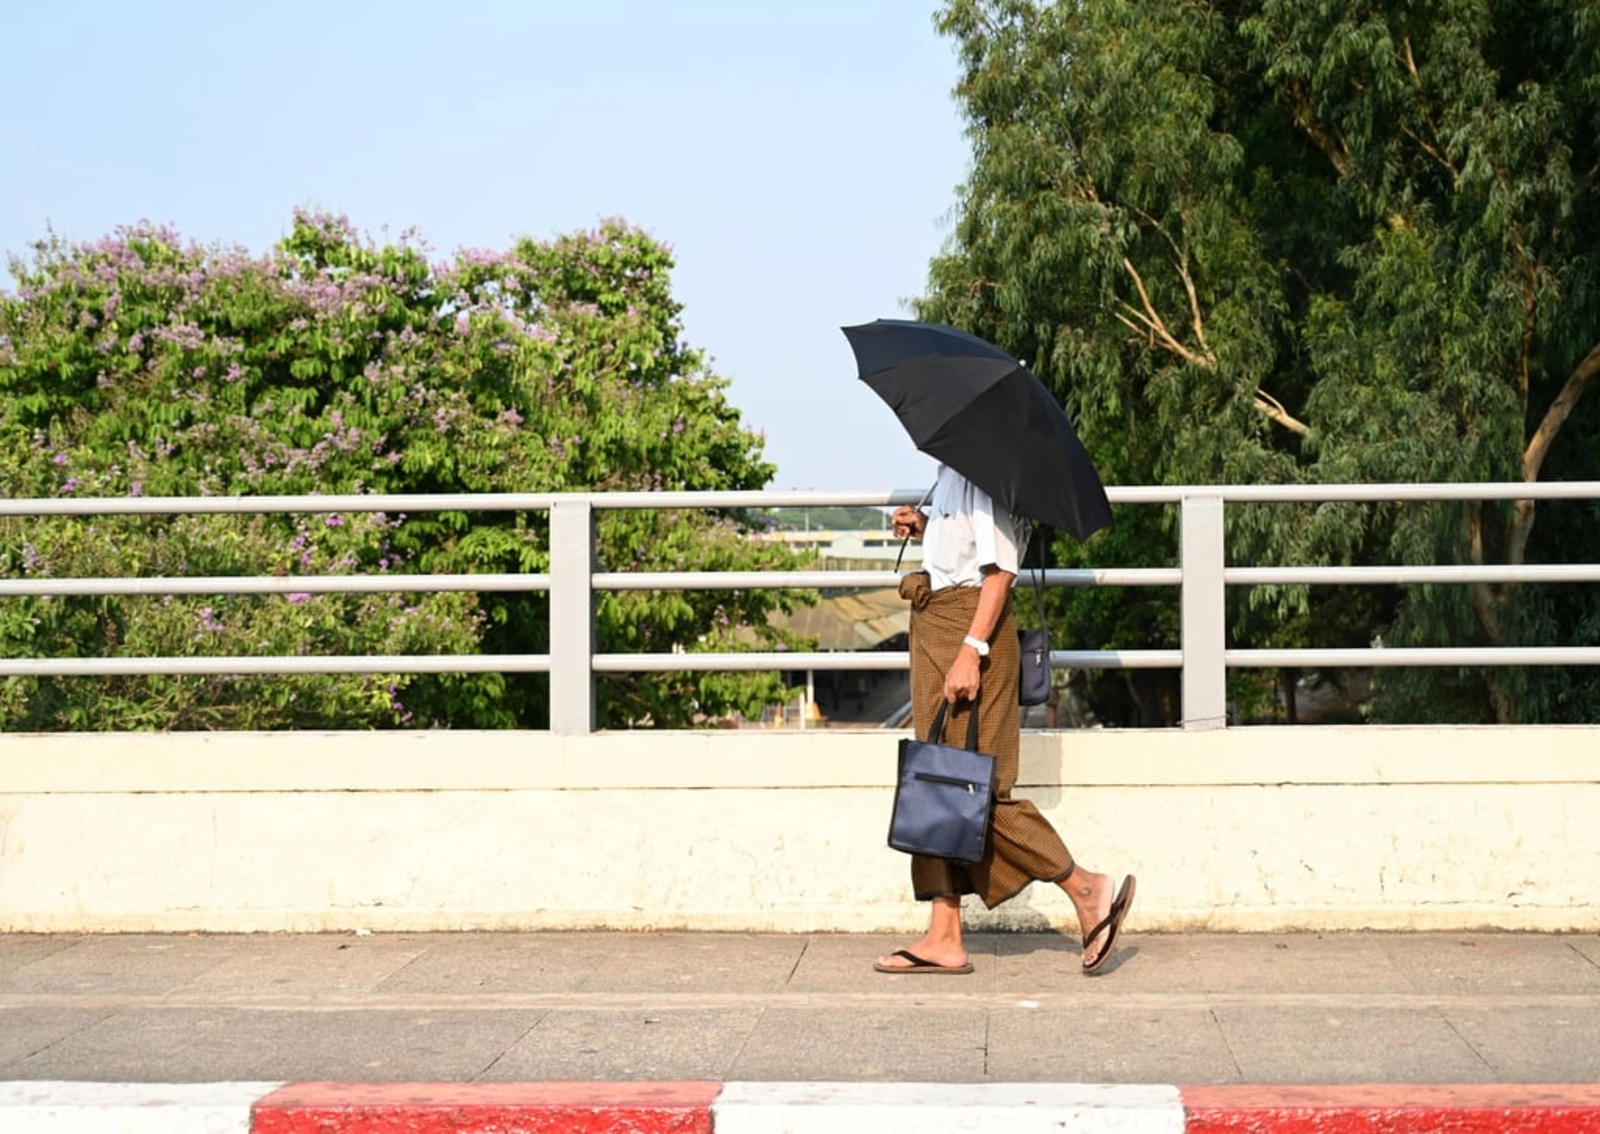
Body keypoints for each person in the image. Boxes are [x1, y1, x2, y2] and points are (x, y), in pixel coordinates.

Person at [875, 463, 1134, 976]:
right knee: (933, 782)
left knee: (977, 792)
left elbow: (1000, 571)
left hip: (968, 632)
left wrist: (971, 651)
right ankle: (943, 935)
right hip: (937, 629)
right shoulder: (954, 469)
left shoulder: (985, 472)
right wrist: (926, 526)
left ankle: (1085, 887)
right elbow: (968, 548)